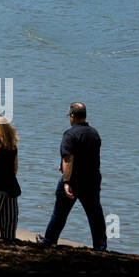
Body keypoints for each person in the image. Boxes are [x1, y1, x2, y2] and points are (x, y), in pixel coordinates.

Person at [42, 102, 106, 250]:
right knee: (95, 215)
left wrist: (66, 181)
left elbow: (68, 159)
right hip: (92, 180)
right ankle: (101, 246)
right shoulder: (94, 133)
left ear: (72, 115)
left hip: (74, 180)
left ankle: (49, 241)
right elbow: (88, 157)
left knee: (60, 213)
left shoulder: (70, 134)